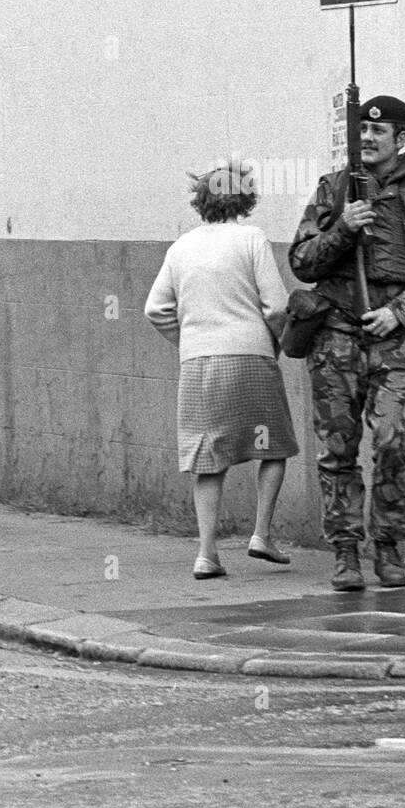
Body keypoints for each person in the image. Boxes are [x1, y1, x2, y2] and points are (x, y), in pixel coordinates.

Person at [289, 96, 405, 591]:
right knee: (337, 449)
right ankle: (344, 553)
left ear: (400, 138)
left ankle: (388, 547)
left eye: (378, 132)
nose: (366, 138)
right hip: (337, 334)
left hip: (396, 340)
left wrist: (397, 312)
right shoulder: (333, 188)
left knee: (395, 441)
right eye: (361, 130)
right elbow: (302, 261)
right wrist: (342, 229)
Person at [144, 158, 298, 579]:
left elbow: (155, 309)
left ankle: (206, 553)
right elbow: (277, 306)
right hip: (251, 357)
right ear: (245, 199)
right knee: (276, 446)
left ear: (201, 200)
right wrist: (277, 344)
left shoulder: (180, 247)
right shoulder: (251, 239)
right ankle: (261, 533)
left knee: (206, 458)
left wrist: (189, 340)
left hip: (198, 364)